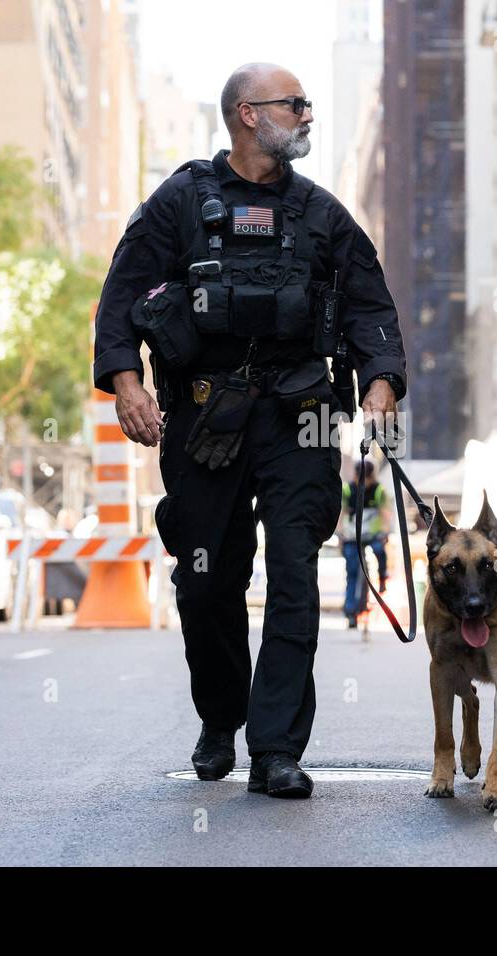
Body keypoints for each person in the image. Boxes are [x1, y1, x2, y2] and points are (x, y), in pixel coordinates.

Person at [92, 63, 407, 799]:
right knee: (206, 581)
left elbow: (370, 308)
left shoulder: (323, 215)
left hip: (302, 415)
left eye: (306, 103)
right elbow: (121, 297)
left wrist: (382, 383)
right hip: (204, 413)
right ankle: (219, 719)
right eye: (292, 104)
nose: (305, 114)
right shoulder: (177, 204)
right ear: (245, 114)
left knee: (296, 573)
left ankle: (275, 750)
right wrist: (128, 384)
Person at [339, 459, 392, 628]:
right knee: (352, 572)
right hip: (352, 536)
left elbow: (385, 513)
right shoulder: (347, 490)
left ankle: (382, 576)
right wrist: (341, 533)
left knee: (379, 550)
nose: (363, 482)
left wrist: (384, 532)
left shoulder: (378, 490)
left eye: (366, 478)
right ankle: (351, 611)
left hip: (373, 534)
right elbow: (341, 512)